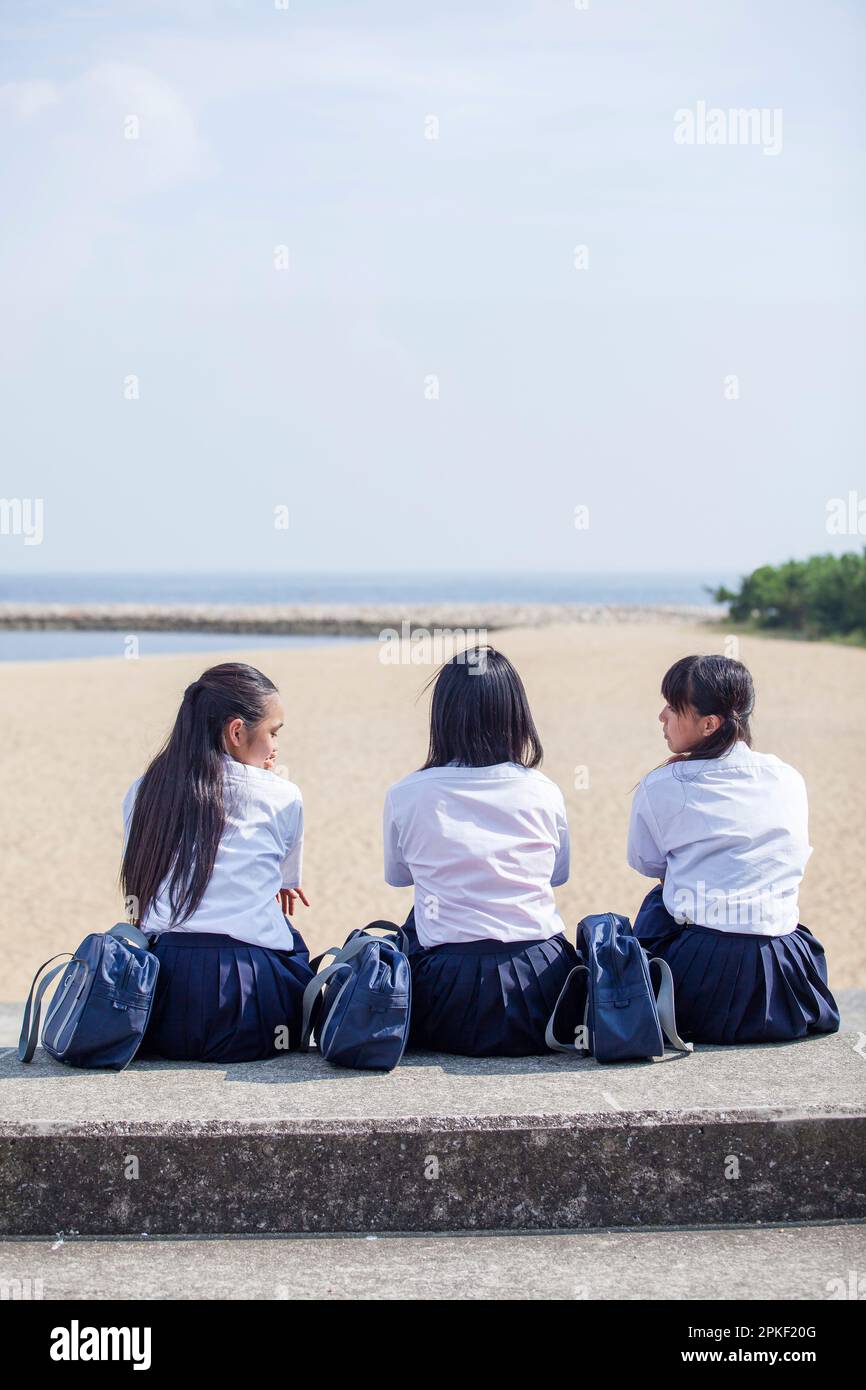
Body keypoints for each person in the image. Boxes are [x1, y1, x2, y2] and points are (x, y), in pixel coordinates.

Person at [627, 653, 840, 1044]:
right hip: (783, 979)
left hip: (701, 983)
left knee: (660, 900)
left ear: (710, 724)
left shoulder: (661, 786)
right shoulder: (788, 777)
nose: (662, 716)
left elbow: (646, 862)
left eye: (674, 708)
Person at [383, 646, 577, 1056]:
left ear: (443, 717)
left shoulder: (407, 794)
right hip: (543, 993)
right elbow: (557, 876)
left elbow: (400, 876)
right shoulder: (543, 791)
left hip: (447, 998)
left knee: (416, 919)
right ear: (516, 716)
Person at [121, 661, 314, 1062]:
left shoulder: (142, 791)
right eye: (272, 733)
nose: (276, 748)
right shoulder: (282, 794)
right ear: (237, 731)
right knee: (291, 942)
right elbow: (284, 883)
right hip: (249, 1010)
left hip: (161, 1008)